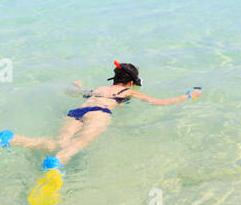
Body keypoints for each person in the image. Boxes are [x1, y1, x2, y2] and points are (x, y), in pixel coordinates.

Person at [12, 61, 200, 169]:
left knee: (60, 144)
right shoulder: (128, 92)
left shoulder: (99, 88)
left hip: (75, 112)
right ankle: (56, 166)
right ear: (131, 83)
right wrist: (188, 95)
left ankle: (15, 139)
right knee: (78, 144)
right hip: (99, 114)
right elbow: (161, 102)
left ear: (115, 78)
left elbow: (73, 91)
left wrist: (77, 85)